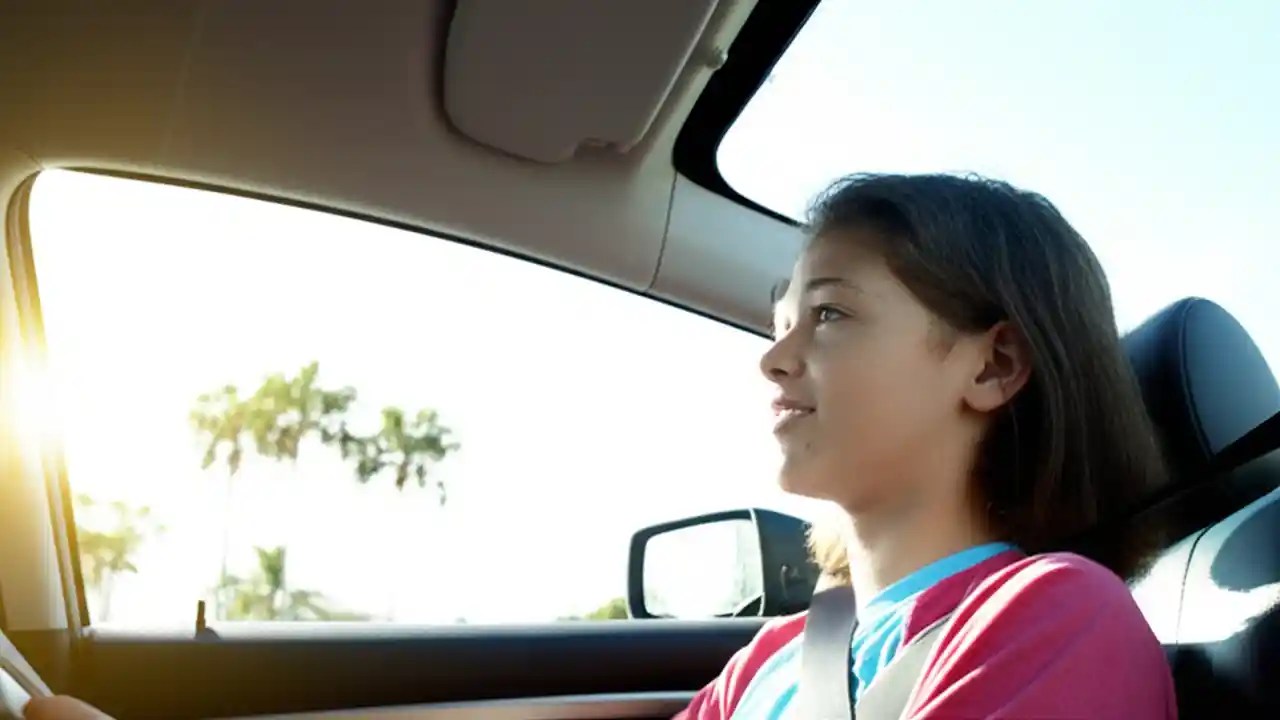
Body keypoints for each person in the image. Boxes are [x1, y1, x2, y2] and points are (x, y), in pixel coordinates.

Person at [675, 173, 1176, 719]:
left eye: (829, 314)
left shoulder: (1060, 615)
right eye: (782, 325)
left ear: (993, 366)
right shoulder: (768, 660)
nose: (773, 359)